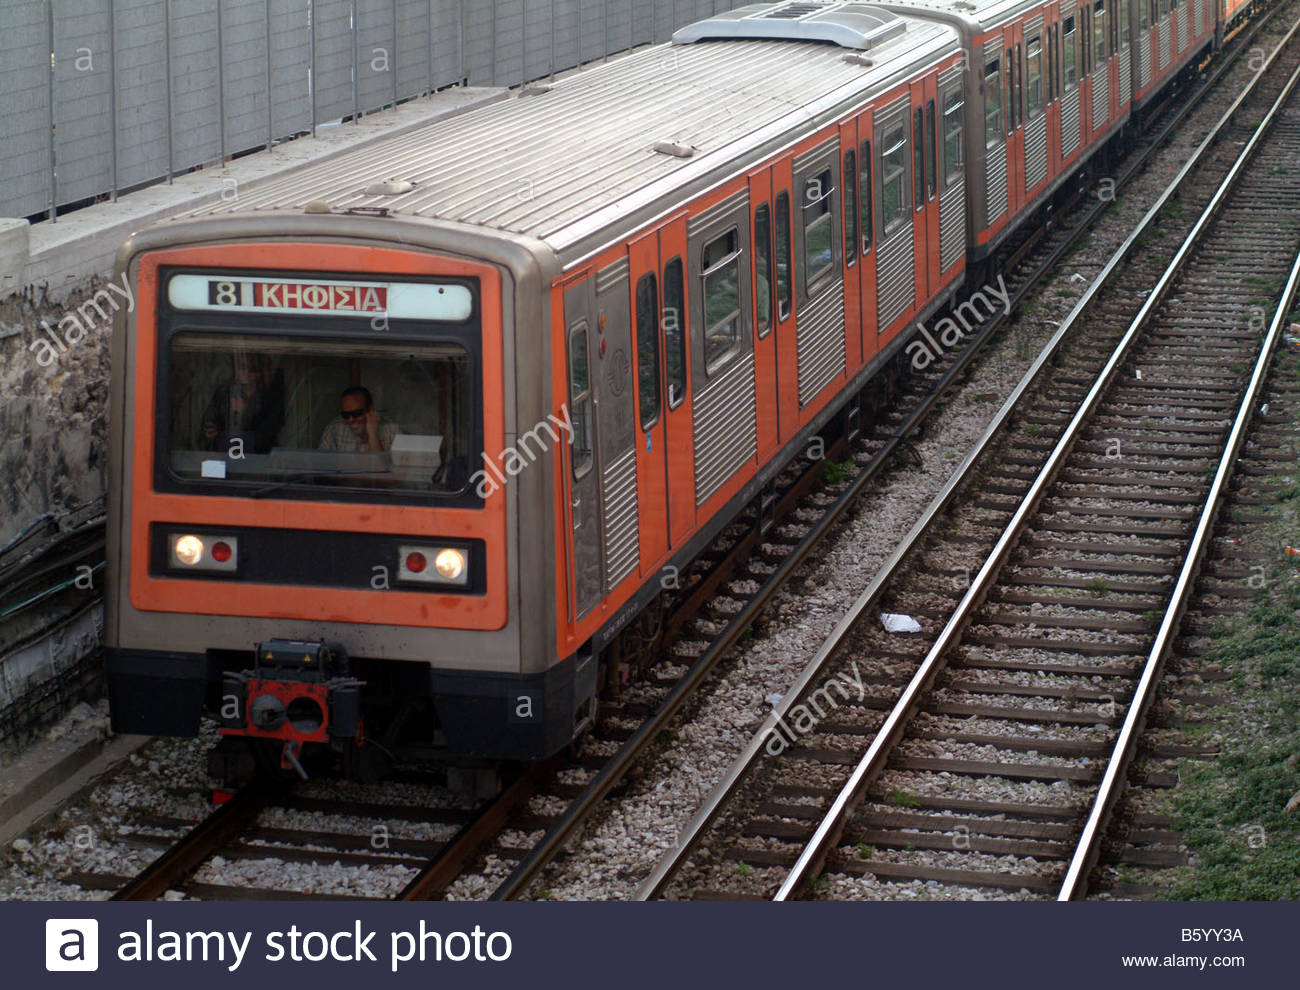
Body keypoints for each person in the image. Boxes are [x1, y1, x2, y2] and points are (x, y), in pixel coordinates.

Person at [199, 352, 285, 454]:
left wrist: (244, 413)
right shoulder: (224, 393)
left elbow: (266, 435)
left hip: (257, 458)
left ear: (259, 373)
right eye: (242, 367)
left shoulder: (270, 398)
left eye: (252, 369)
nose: (246, 372)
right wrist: (210, 428)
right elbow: (211, 417)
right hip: (224, 454)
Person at [319, 386, 400, 453]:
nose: (351, 420)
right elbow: (321, 464)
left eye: (356, 413)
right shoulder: (335, 428)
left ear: (370, 409)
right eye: (346, 415)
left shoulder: (391, 430)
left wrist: (373, 434)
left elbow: (387, 469)